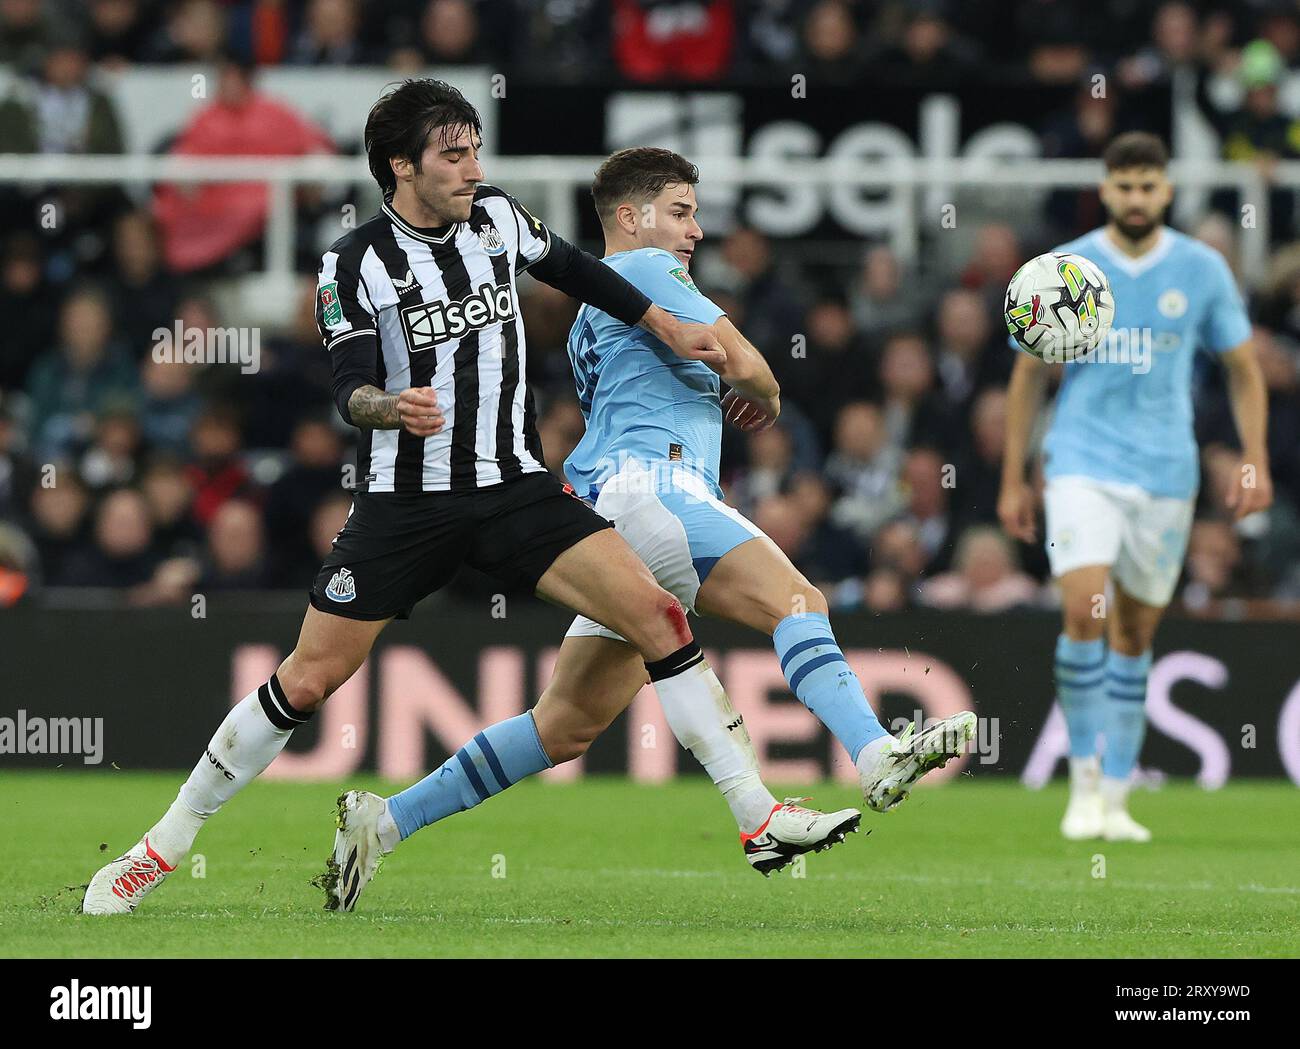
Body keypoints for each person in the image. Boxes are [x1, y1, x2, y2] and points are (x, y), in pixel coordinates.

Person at [80, 79, 793, 916]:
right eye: (454, 155)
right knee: (306, 681)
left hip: (515, 487)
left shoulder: (495, 216)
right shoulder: (352, 264)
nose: (472, 169)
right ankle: (160, 847)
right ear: (401, 165)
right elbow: (347, 389)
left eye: (475, 151)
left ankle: (757, 816)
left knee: (659, 617)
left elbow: (574, 269)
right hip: (405, 507)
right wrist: (393, 405)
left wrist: (666, 325)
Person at [327, 145, 974, 910]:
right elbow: (757, 370)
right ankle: (873, 754)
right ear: (630, 218)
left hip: (612, 503)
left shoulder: (588, 309)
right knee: (797, 603)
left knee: (563, 725)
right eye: (681, 211)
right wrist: (761, 396)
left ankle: (385, 820)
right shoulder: (647, 274)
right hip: (654, 488)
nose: (696, 230)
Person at [998, 132, 1272, 843]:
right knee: (1085, 613)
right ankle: (1082, 785)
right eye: (1125, 185)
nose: (1137, 198)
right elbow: (1028, 373)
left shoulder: (1202, 269)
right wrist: (1014, 476)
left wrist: (1254, 458)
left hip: (1166, 472)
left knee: (1136, 631)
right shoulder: (1067, 268)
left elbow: (1244, 368)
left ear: (1168, 191)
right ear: (1106, 188)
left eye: (1149, 185)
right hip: (1080, 463)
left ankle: (1117, 793)